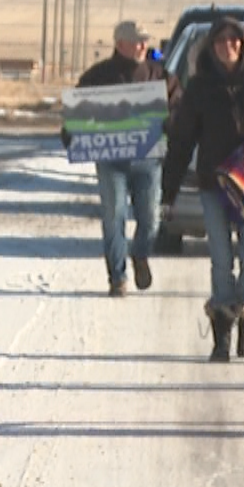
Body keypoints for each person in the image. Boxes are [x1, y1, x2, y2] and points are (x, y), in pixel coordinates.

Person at [162, 18, 244, 361]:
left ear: (243, 44)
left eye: (233, 40)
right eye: (219, 42)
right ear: (211, 47)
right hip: (214, 183)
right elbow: (182, 140)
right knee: (220, 260)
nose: (227, 46)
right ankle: (222, 332)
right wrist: (169, 191)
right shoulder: (200, 87)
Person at [73, 21, 166, 297]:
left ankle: (140, 253)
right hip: (111, 161)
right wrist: (73, 133)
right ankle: (117, 276)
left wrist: (173, 123)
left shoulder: (158, 75)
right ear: (120, 44)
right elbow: (78, 112)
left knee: (151, 218)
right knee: (114, 215)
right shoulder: (97, 76)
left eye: (145, 41)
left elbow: (178, 104)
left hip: (148, 160)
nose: (142, 46)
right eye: (137, 41)